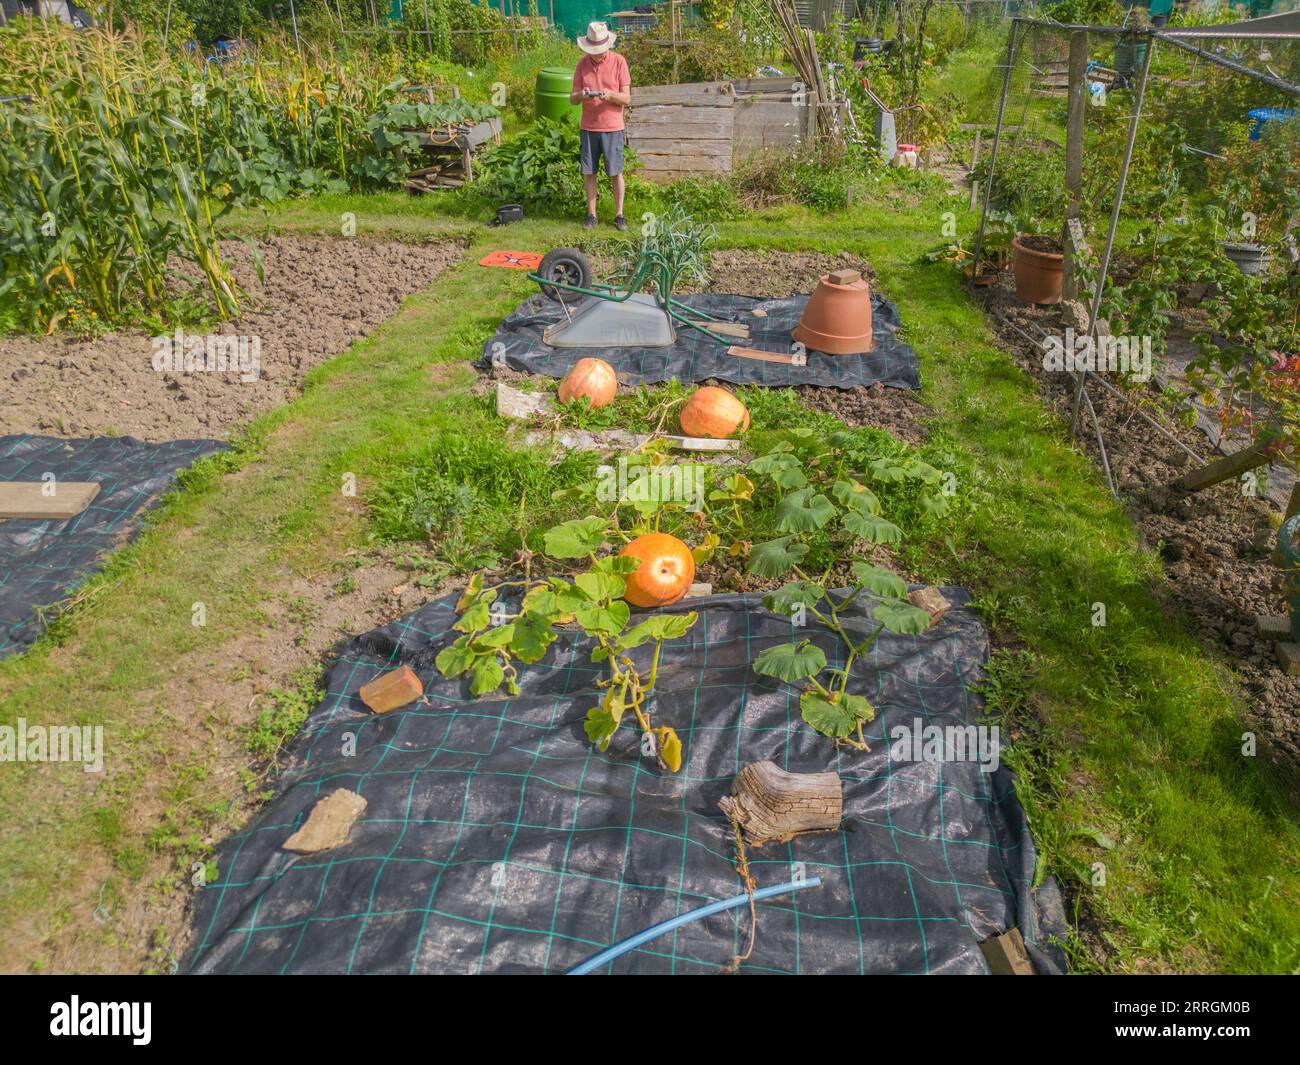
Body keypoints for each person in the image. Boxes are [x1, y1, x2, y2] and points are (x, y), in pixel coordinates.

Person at [569, 21, 631, 231]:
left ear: (607, 46)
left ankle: (619, 215)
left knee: (615, 172)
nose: (596, 54)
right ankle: (591, 215)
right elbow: (572, 99)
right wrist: (583, 95)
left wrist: (610, 95)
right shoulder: (581, 65)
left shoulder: (619, 62)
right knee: (590, 172)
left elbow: (627, 98)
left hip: (613, 127)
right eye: (592, 50)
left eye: (600, 50)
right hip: (588, 127)